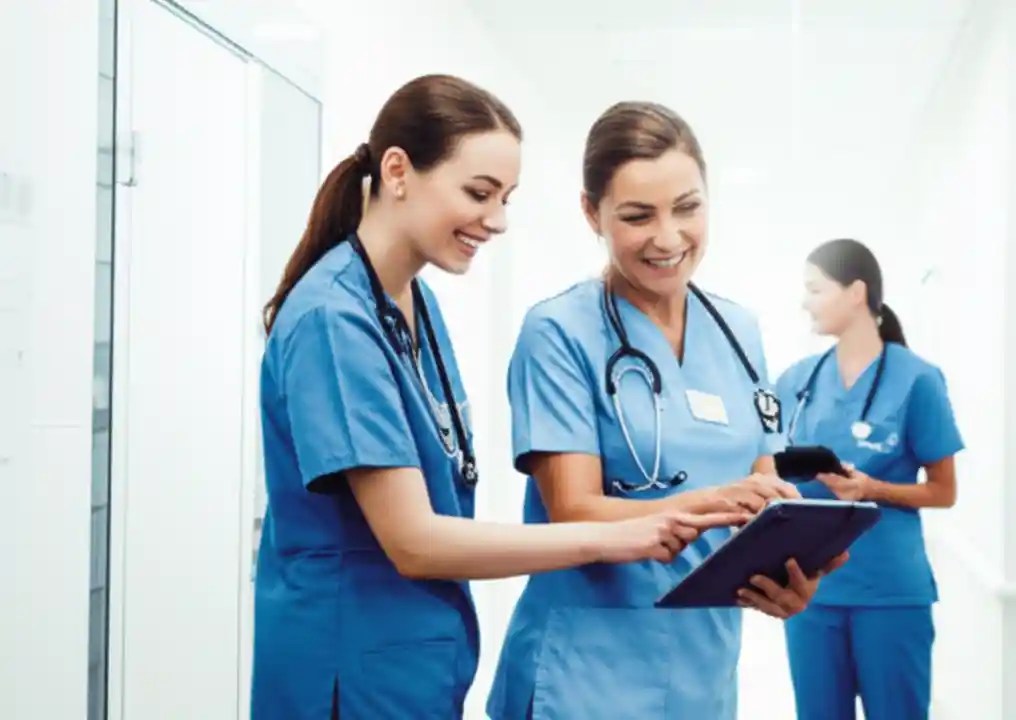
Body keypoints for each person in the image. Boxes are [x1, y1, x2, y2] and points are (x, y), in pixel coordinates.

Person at [250, 75, 745, 720]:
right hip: (349, 668)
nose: (498, 220)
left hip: (415, 663)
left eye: (505, 197)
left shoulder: (410, 304)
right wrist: (620, 534)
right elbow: (415, 541)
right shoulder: (334, 319)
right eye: (479, 194)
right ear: (398, 170)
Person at [485, 101, 847, 720]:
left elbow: (761, 497)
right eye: (637, 216)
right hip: (583, 676)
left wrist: (787, 573)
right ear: (590, 212)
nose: (669, 237)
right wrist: (715, 502)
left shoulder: (738, 332)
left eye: (687, 207)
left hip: (702, 671)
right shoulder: (559, 332)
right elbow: (573, 511)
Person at [774, 238, 964, 720]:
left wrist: (872, 489)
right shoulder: (796, 381)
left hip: (889, 593)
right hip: (809, 589)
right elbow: (766, 465)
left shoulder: (917, 379)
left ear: (856, 293)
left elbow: (944, 491)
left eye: (815, 289)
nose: (804, 301)